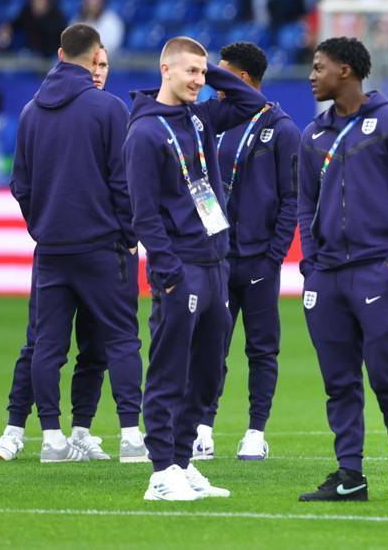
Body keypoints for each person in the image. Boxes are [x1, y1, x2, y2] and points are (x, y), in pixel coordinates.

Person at [0, 44, 147, 464]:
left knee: (45, 346)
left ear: (60, 53)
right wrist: (129, 232)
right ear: (92, 58)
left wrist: (43, 226)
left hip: (53, 249)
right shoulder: (109, 108)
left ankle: (52, 440)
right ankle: (131, 436)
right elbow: (122, 180)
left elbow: (19, 186)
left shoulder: (29, 112)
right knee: (121, 339)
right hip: (103, 247)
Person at [124, 36, 268, 501]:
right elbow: (143, 213)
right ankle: (161, 472)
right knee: (170, 371)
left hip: (214, 264)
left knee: (207, 373)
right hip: (180, 268)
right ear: (164, 70)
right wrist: (167, 271)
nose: (199, 82)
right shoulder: (145, 133)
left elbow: (253, 100)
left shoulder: (197, 117)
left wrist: (210, 69)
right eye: (189, 72)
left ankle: (184, 463)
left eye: (203, 75)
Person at [297, 37, 388, 502]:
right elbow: (304, 205)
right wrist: (311, 265)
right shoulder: (312, 134)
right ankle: (349, 475)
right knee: (339, 382)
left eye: (319, 66)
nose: (312, 75)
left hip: (377, 270)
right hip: (327, 277)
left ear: (346, 70)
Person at [193, 42, 299, 461]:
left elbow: (292, 198)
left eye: (218, 75)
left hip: (258, 260)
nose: (210, 84)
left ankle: (255, 432)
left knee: (261, 348)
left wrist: (274, 255)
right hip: (217, 257)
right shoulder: (214, 122)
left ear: (239, 80)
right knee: (210, 347)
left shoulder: (282, 128)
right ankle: (202, 428)